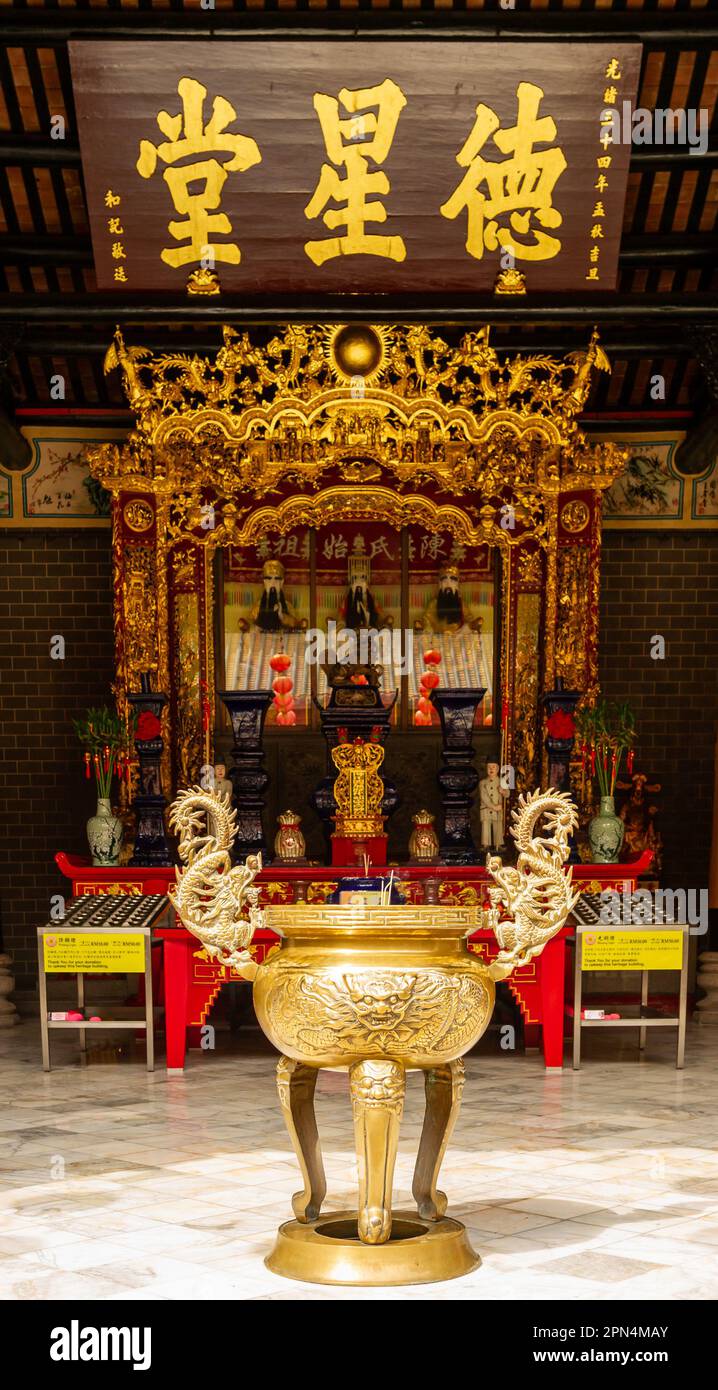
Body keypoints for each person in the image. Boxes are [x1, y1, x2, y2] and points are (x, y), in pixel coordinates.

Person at [250, 559, 302, 632]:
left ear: (282, 582)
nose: (273, 582)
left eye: (277, 579)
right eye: (269, 578)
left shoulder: (288, 606)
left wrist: (281, 615)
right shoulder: (257, 607)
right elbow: (252, 625)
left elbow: (294, 624)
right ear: (264, 582)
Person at [479, 760, 508, 850]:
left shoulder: (502, 781)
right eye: (489, 767)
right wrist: (493, 806)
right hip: (486, 808)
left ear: (498, 769)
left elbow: (508, 794)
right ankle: (485, 845)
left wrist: (503, 791)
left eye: (493, 767)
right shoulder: (482, 783)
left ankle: (498, 844)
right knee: (486, 826)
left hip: (498, 810)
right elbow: (484, 797)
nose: (491, 769)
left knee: (498, 826)